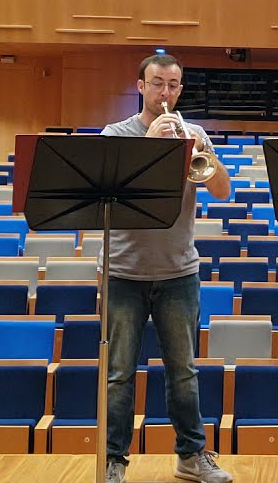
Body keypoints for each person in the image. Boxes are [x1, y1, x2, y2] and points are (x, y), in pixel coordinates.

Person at [99, 53, 233, 483]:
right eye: (158, 84)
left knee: (184, 373)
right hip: (123, 271)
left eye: (174, 85)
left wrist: (199, 151)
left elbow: (223, 190)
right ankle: (113, 460)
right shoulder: (115, 134)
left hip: (179, 271)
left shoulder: (192, 133)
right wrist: (150, 148)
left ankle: (191, 457)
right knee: (119, 374)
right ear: (140, 86)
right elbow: (110, 193)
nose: (166, 93)